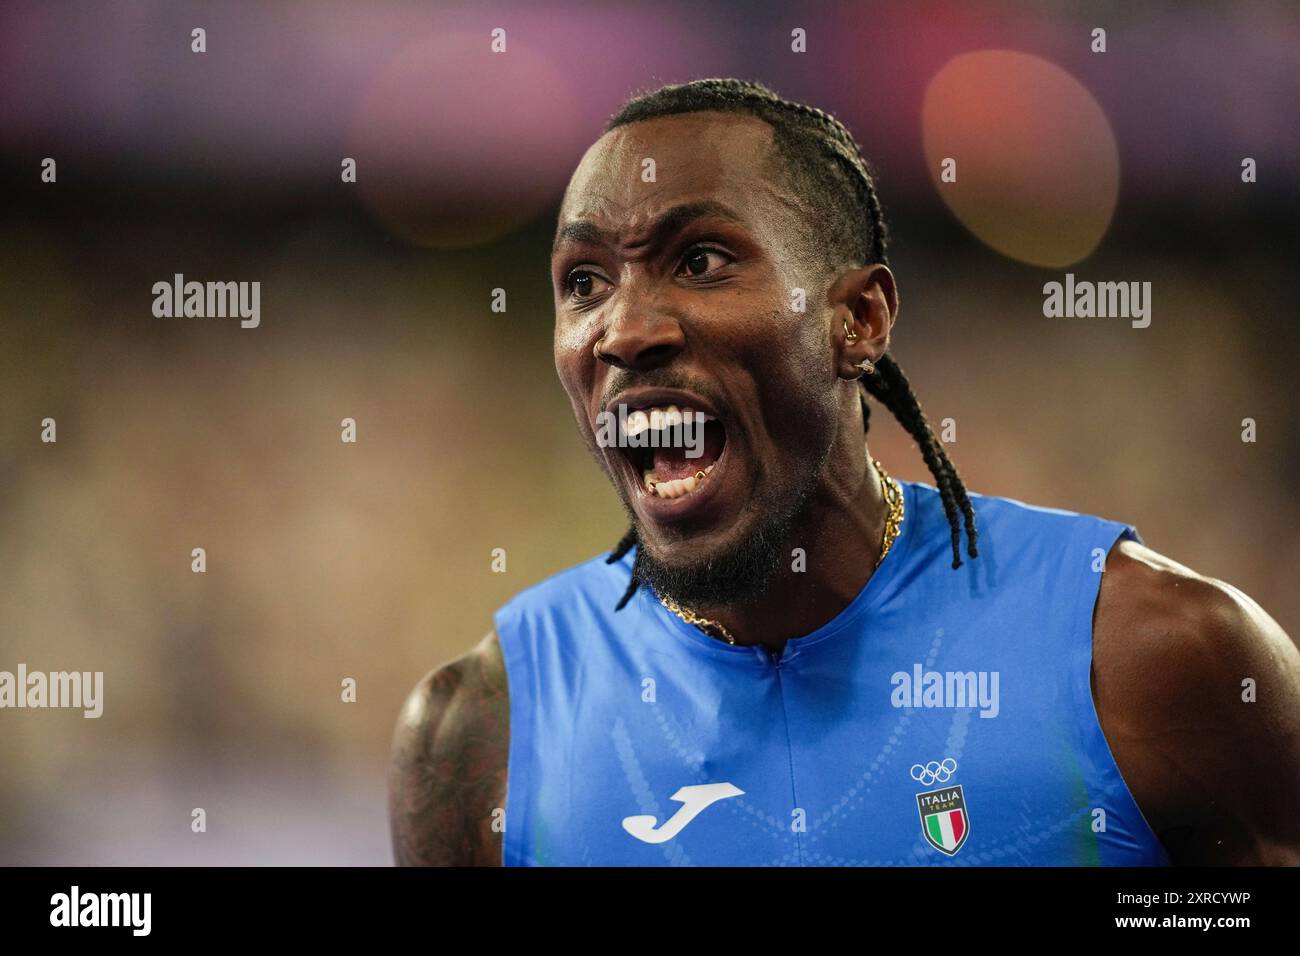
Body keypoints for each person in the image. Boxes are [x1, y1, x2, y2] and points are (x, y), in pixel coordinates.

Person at [389, 79, 1300, 866]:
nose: (623, 331)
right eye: (584, 281)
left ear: (860, 318)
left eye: (700, 260)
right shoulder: (482, 738)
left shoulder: (1157, 664)